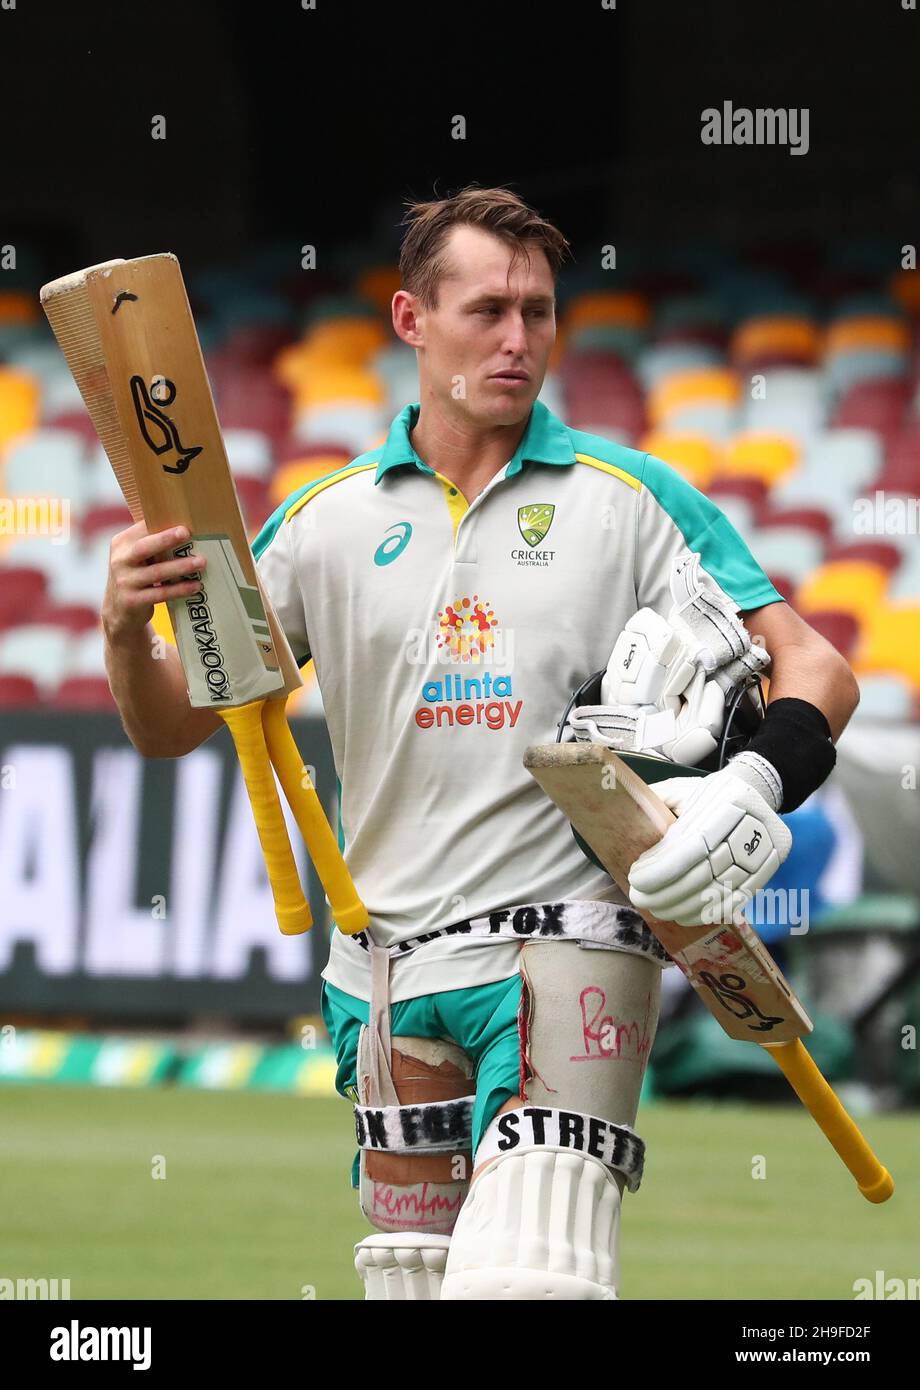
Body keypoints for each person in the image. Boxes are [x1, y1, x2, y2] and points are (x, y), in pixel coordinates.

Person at [101, 186, 859, 1300]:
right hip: (384, 970)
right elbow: (169, 722)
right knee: (411, 1282)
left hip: (570, 944)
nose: (518, 340)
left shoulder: (629, 498)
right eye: (487, 311)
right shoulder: (322, 522)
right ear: (412, 321)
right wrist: (125, 625)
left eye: (539, 314)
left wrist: (751, 779)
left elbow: (817, 671)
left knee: (528, 1277)